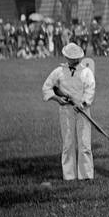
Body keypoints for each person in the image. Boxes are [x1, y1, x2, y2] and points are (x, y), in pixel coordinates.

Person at [41, 42, 96, 181]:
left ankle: (86, 176)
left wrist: (82, 104)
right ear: (66, 57)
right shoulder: (59, 72)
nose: (73, 59)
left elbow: (90, 90)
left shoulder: (86, 72)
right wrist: (57, 99)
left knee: (84, 144)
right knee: (68, 143)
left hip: (83, 112)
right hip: (66, 111)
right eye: (70, 57)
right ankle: (69, 176)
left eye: (75, 57)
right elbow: (47, 87)